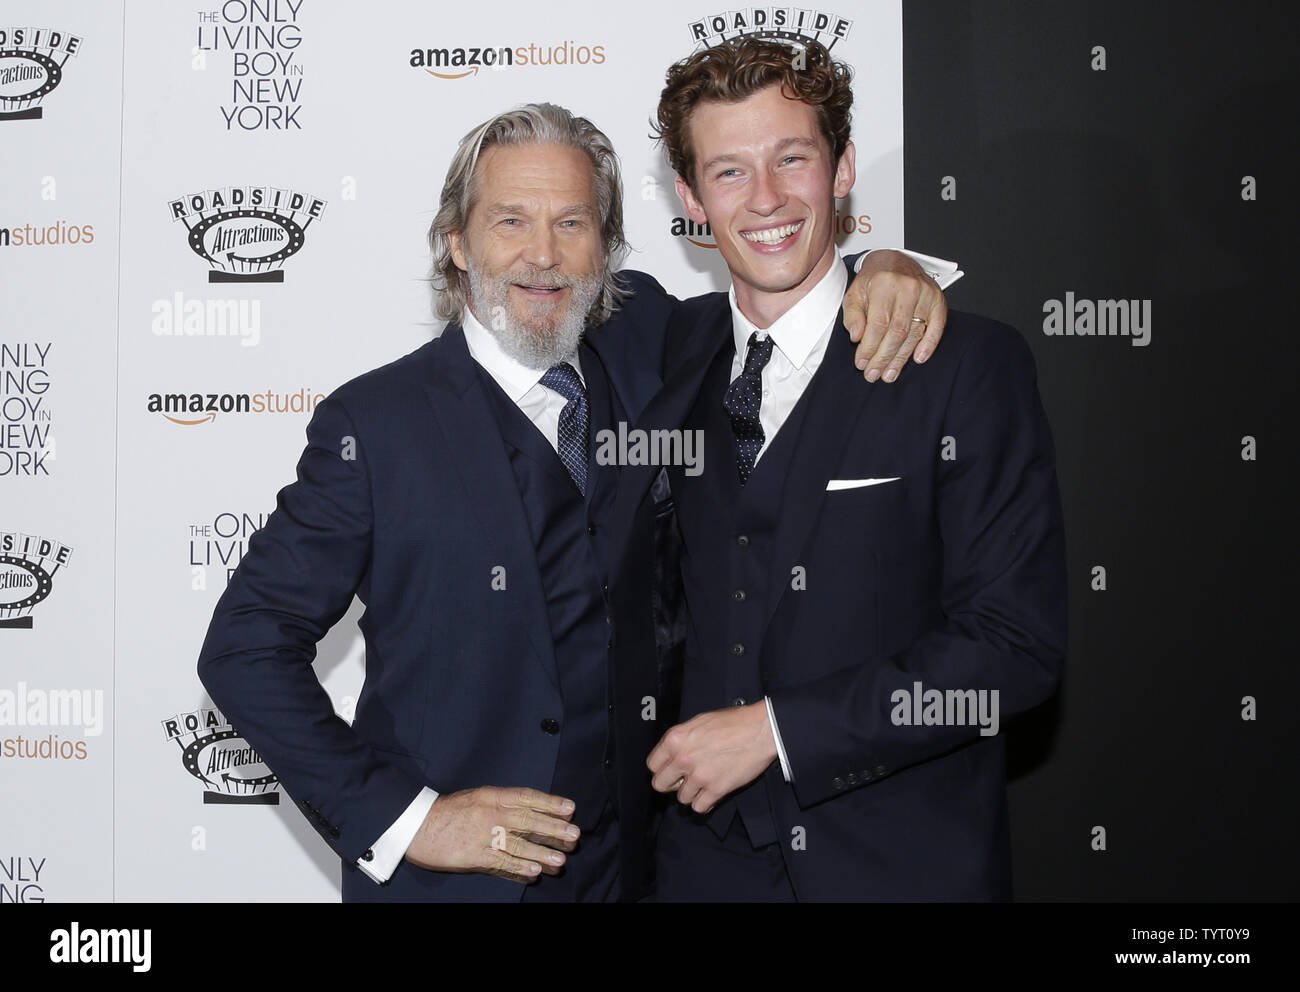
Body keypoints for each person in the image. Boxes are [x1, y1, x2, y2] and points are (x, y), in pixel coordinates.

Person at [195, 99, 952, 901]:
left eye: (573, 224)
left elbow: (783, 295)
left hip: (636, 874)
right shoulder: (374, 427)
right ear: (456, 242)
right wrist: (408, 820)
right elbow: (245, 646)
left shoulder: (651, 342)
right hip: (456, 887)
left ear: (608, 249)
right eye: (511, 221)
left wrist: (884, 267)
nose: (543, 257)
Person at [630, 37, 1068, 900]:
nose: (765, 199)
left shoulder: (966, 365)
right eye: (728, 172)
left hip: (900, 867)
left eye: (792, 158)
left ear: (842, 169)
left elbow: (1015, 652)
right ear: (689, 198)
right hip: (701, 869)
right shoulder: (667, 346)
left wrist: (779, 732)